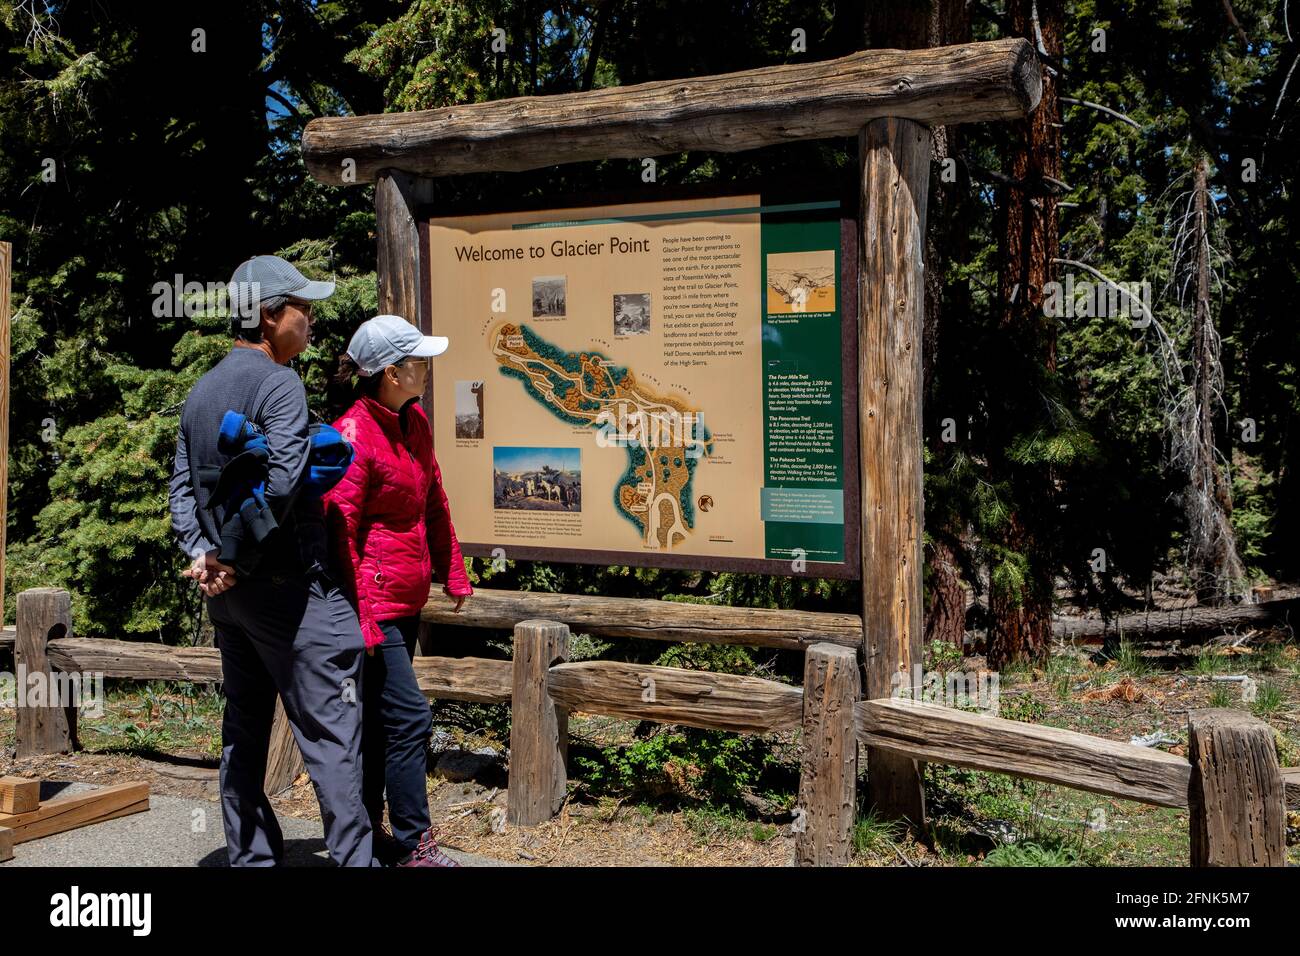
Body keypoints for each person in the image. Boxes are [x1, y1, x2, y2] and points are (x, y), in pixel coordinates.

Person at [168, 254, 376, 867]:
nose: (310, 321)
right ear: (266, 316)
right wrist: (232, 557)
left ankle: (251, 858)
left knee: (245, 725)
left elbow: (182, 488)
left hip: (230, 599)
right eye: (301, 309)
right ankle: (354, 862)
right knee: (334, 732)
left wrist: (205, 554)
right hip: (290, 590)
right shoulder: (280, 382)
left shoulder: (200, 389)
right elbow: (284, 482)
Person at [324, 314, 474, 867]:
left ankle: (367, 831)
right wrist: (361, 616)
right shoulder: (354, 435)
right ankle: (415, 844)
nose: (428, 369)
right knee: (410, 716)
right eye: (420, 360)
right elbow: (340, 531)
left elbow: (435, 501)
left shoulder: (414, 424)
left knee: (379, 720)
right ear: (391, 371)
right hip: (372, 607)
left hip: (405, 599)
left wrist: (452, 570)